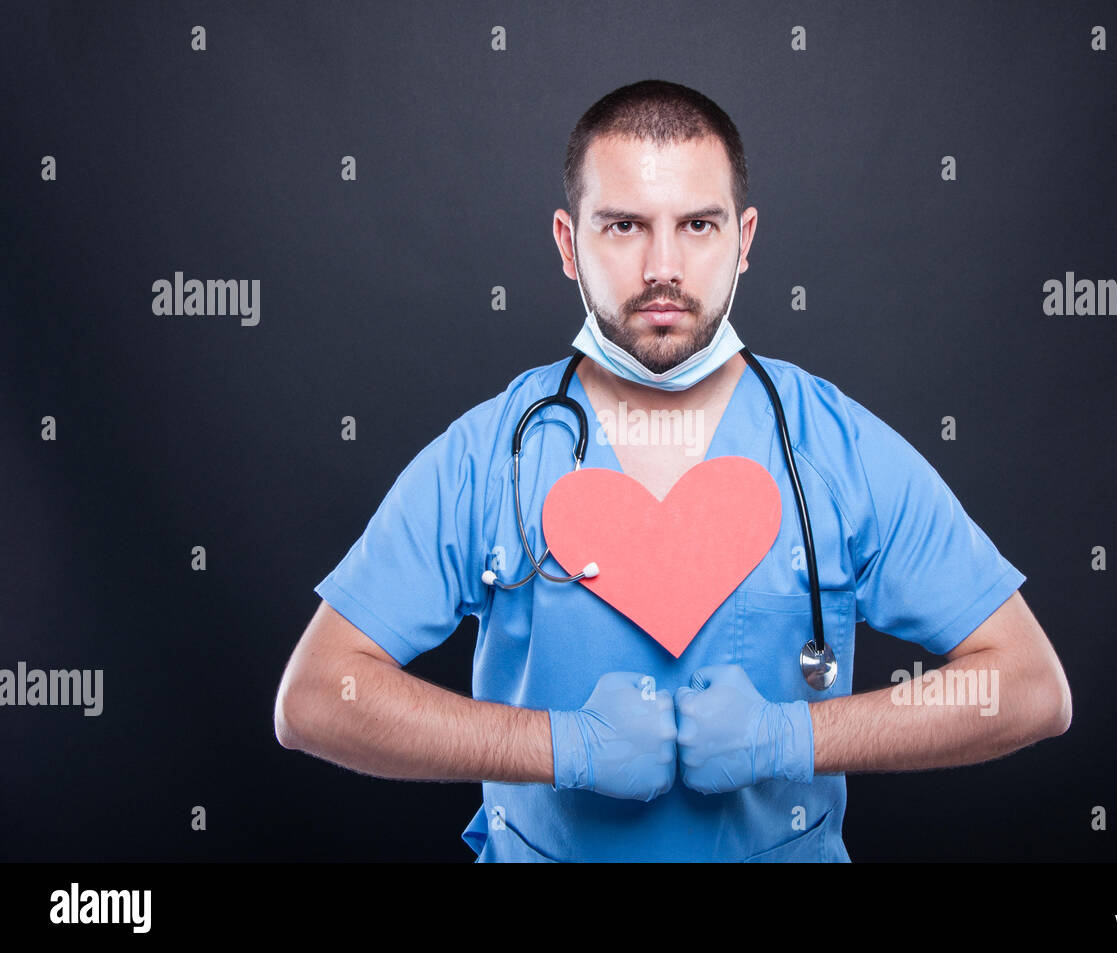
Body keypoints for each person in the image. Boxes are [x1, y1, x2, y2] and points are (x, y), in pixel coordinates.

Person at [273, 79, 1072, 862]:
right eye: (623, 225)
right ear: (566, 242)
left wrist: (787, 736)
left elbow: (1031, 685)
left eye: (697, 224)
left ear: (745, 240)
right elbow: (314, 698)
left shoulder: (836, 448)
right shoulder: (492, 453)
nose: (664, 266)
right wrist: (561, 746)